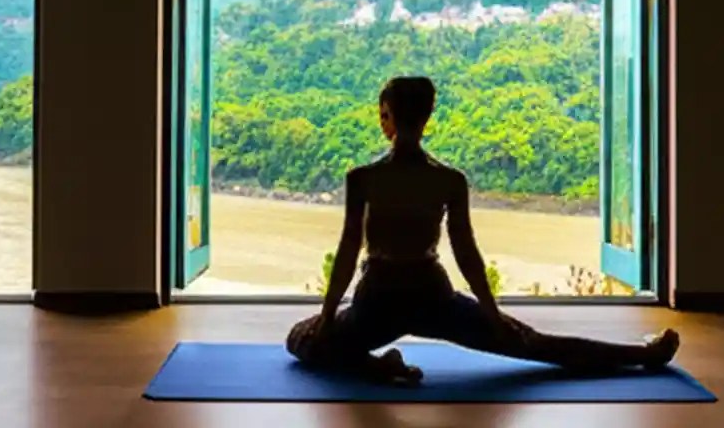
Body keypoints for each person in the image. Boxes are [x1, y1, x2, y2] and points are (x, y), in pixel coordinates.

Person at [286, 75, 680, 385]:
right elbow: (466, 253)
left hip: (378, 301)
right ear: (428, 117)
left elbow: (349, 250)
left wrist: (325, 316)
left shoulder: (362, 179)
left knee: (300, 339)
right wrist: (493, 313)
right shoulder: (449, 180)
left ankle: (377, 368)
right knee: (533, 343)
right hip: (433, 297)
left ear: (385, 116)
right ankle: (643, 355)